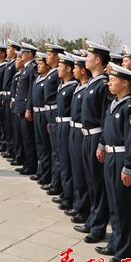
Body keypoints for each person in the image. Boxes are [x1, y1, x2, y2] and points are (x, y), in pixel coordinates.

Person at [95, 63, 131, 262]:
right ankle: (116, 243)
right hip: (111, 157)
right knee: (114, 204)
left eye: (113, 80)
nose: (109, 83)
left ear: (125, 82)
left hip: (123, 160)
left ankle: (126, 250)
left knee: (125, 206)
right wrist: (101, 145)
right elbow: (107, 129)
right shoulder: (115, 103)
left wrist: (129, 167)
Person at [74, 40, 112, 245]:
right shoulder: (93, 83)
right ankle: (91, 219)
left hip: (97, 136)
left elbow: (106, 117)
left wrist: (102, 143)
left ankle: (99, 227)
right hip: (86, 135)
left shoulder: (103, 84)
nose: (85, 60)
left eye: (88, 57)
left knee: (98, 184)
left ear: (97, 60)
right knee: (90, 180)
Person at [53, 52, 78, 213]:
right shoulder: (63, 85)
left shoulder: (73, 86)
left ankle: (69, 196)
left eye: (61, 67)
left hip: (68, 126)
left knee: (68, 163)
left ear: (68, 69)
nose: (58, 70)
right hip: (60, 124)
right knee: (61, 159)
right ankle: (65, 192)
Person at [68, 52, 91, 224]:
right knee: (76, 169)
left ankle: (84, 208)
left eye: (76, 68)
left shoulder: (88, 87)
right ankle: (78, 204)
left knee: (83, 174)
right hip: (74, 130)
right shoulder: (79, 86)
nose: (74, 71)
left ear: (83, 71)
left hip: (83, 132)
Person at [44, 43, 64, 196]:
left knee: (57, 152)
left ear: (57, 57)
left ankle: (57, 184)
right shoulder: (52, 72)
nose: (46, 57)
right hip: (49, 114)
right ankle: (53, 180)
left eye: (49, 55)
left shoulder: (58, 73)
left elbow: (60, 97)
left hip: (55, 114)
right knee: (53, 150)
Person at [16, 42, 38, 176]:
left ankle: (31, 165)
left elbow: (31, 91)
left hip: (26, 108)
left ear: (30, 54)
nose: (21, 55)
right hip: (21, 107)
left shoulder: (32, 68)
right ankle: (27, 162)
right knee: (24, 138)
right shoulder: (26, 68)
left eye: (23, 53)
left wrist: (28, 108)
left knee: (29, 139)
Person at [31, 53, 52, 186]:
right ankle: (40, 170)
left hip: (44, 114)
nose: (38, 66)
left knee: (45, 146)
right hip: (36, 113)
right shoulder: (38, 78)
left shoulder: (48, 79)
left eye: (41, 64)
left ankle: (46, 174)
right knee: (39, 144)